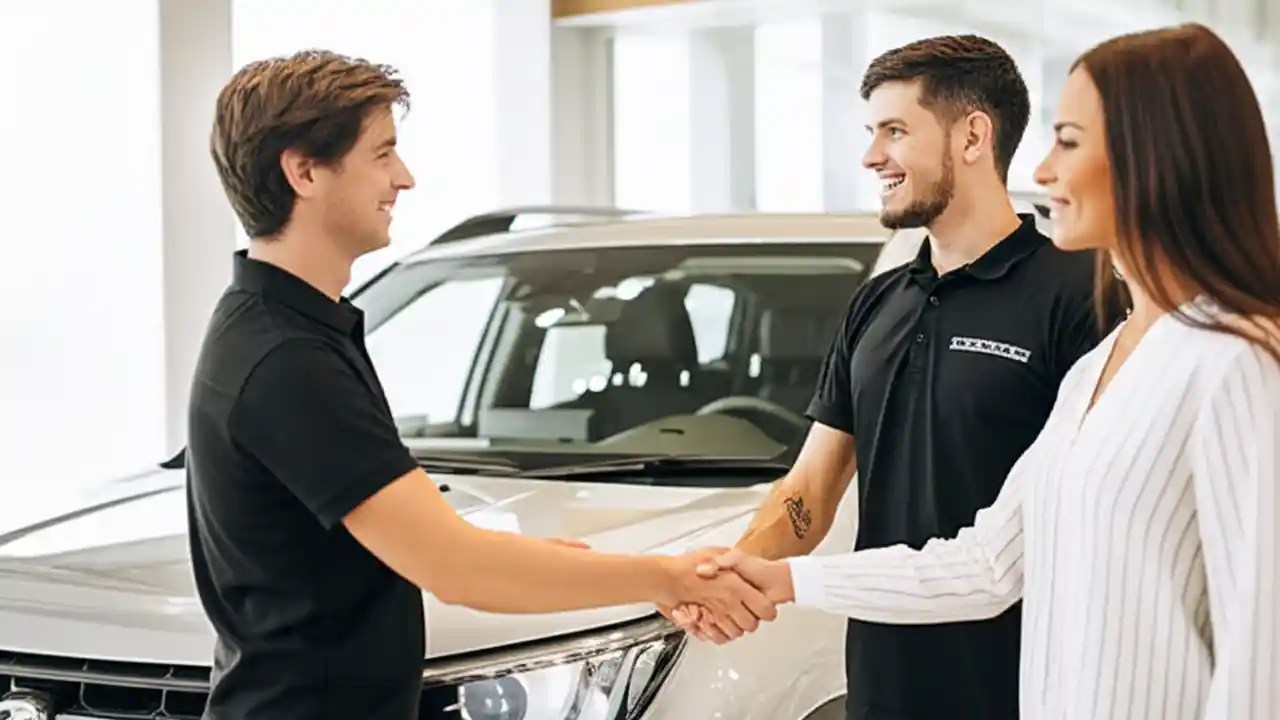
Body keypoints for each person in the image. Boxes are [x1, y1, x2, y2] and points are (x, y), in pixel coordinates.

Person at [701, 22, 1280, 720]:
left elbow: (1262, 661)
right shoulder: (1105, 365)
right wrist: (778, 578)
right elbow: (985, 565)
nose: (1040, 171)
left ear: (1156, 156)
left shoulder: (1240, 362)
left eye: (1067, 141)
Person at [185, 50, 774, 720]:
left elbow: (402, 540)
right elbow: (455, 567)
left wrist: (530, 557)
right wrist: (664, 577)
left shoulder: (284, 327)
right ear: (304, 170)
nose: (403, 178)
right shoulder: (286, 358)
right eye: (382, 154)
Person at [675, 34, 1105, 720]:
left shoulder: (1079, 295)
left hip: (1022, 688)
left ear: (972, 136)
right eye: (872, 132)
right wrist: (727, 574)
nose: (872, 155)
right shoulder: (879, 302)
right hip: (880, 686)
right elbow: (810, 491)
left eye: (895, 130)